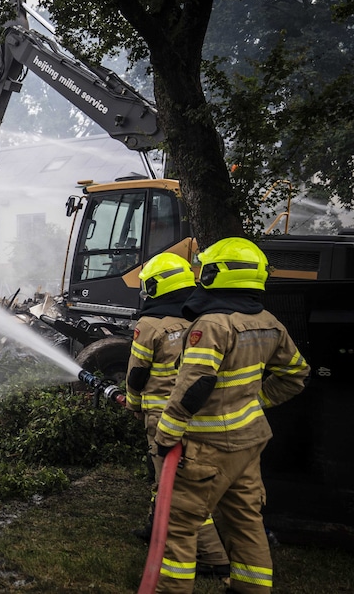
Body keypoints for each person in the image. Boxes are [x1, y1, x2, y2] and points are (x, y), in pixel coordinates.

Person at [153, 237, 310, 594]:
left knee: (179, 525)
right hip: (249, 442)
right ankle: (250, 588)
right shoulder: (270, 323)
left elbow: (193, 387)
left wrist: (166, 436)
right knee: (245, 521)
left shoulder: (211, 326)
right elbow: (298, 374)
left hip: (208, 448)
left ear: (216, 274)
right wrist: (256, 402)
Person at [126, 252, 229, 576]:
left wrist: (131, 403)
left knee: (178, 487)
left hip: (161, 417)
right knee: (167, 478)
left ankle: (213, 558)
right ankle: (154, 526)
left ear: (158, 286)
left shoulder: (150, 325)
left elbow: (137, 375)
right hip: (199, 415)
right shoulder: (202, 320)